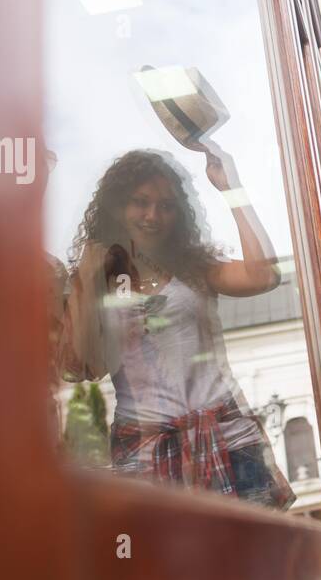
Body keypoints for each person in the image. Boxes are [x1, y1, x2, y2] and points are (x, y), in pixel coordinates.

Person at [60, 144, 294, 511]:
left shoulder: (194, 265)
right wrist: (88, 284)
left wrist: (231, 187)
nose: (152, 215)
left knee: (256, 559)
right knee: (163, 565)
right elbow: (83, 366)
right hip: (144, 450)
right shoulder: (96, 277)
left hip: (226, 438)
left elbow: (263, 276)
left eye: (166, 205)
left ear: (178, 213)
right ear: (118, 207)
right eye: (140, 201)